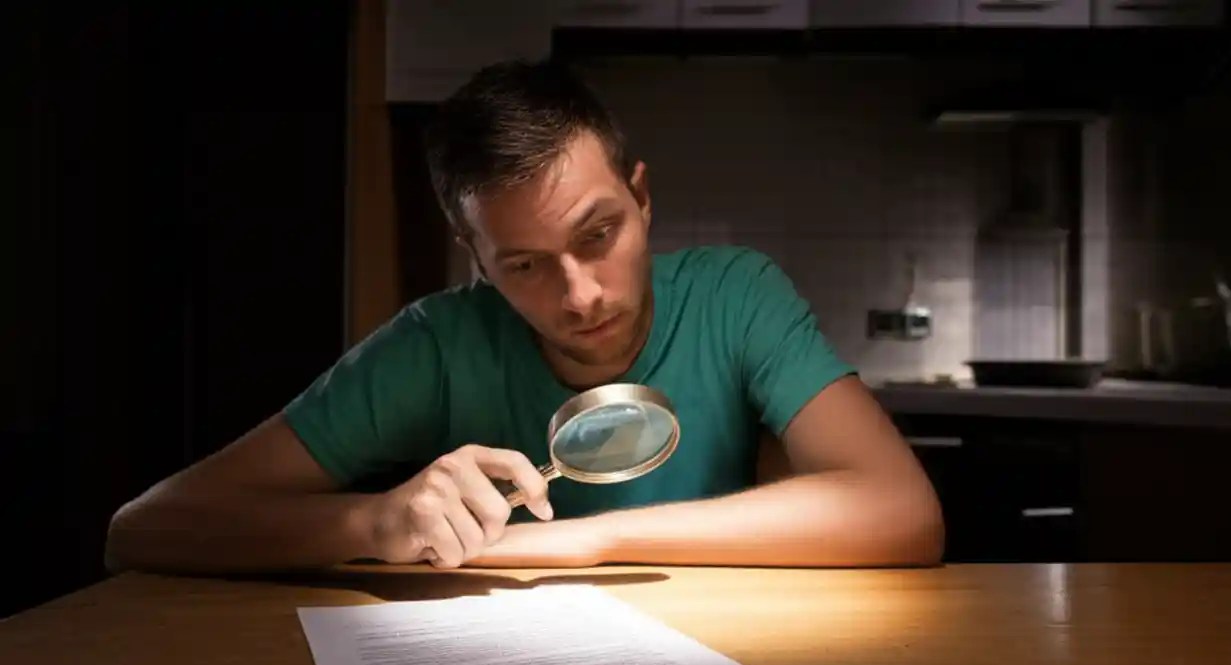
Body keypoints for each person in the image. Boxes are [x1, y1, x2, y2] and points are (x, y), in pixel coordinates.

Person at [105, 60, 944, 574]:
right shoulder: (437, 344)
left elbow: (903, 513)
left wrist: (588, 542)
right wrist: (373, 520)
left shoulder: (735, 295)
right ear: (475, 259)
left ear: (642, 198)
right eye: (525, 265)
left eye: (599, 234)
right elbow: (144, 531)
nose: (578, 294)